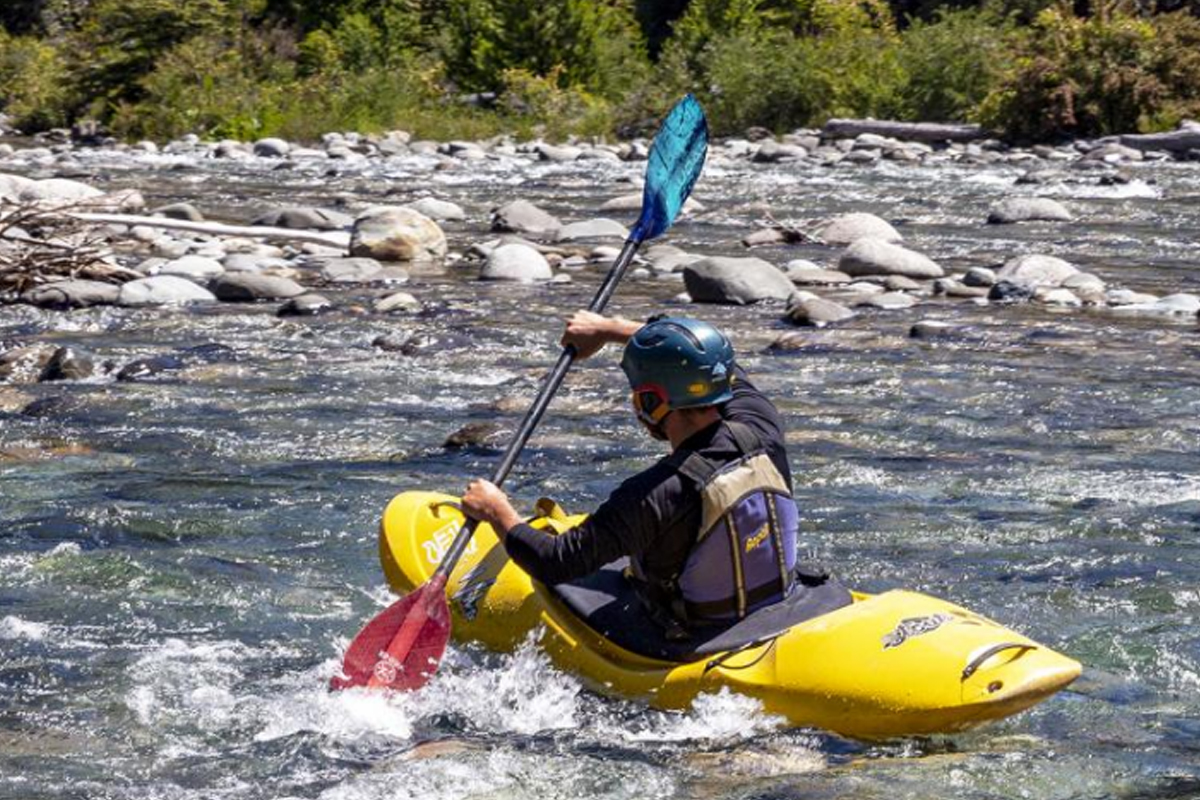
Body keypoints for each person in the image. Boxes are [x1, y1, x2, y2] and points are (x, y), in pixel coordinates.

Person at [461, 310, 800, 631]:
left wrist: (496, 510)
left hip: (694, 627)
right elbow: (703, 359)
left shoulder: (656, 493)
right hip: (776, 599)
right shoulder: (760, 424)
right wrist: (608, 329)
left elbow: (555, 561)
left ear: (650, 401)